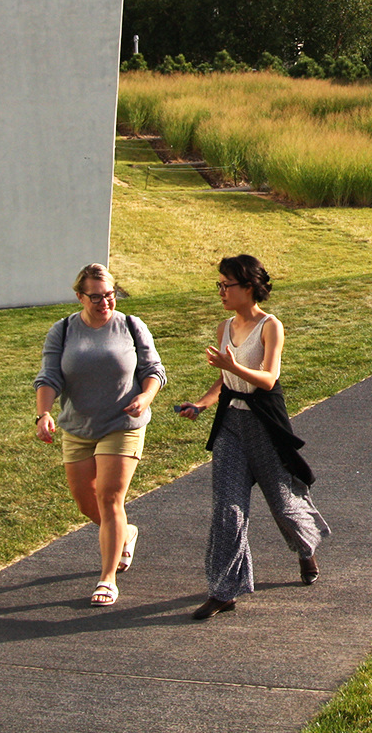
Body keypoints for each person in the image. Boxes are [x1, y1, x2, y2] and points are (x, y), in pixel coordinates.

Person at [175, 254, 330, 620]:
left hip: (264, 426)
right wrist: (200, 404)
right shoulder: (224, 326)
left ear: (248, 287)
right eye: (219, 285)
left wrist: (233, 366)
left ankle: (306, 549)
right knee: (227, 510)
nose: (221, 291)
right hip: (231, 426)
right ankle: (224, 591)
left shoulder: (270, 326)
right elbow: (226, 381)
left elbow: (267, 379)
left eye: (226, 285)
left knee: (284, 505)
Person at [34, 263, 166, 607]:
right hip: (78, 427)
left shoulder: (132, 326)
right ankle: (125, 532)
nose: (106, 302)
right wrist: (44, 413)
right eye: (96, 297)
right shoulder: (63, 330)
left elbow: (154, 371)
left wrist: (145, 396)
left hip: (122, 424)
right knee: (84, 500)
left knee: (110, 498)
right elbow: (49, 377)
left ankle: (107, 578)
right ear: (80, 296)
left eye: (110, 294)